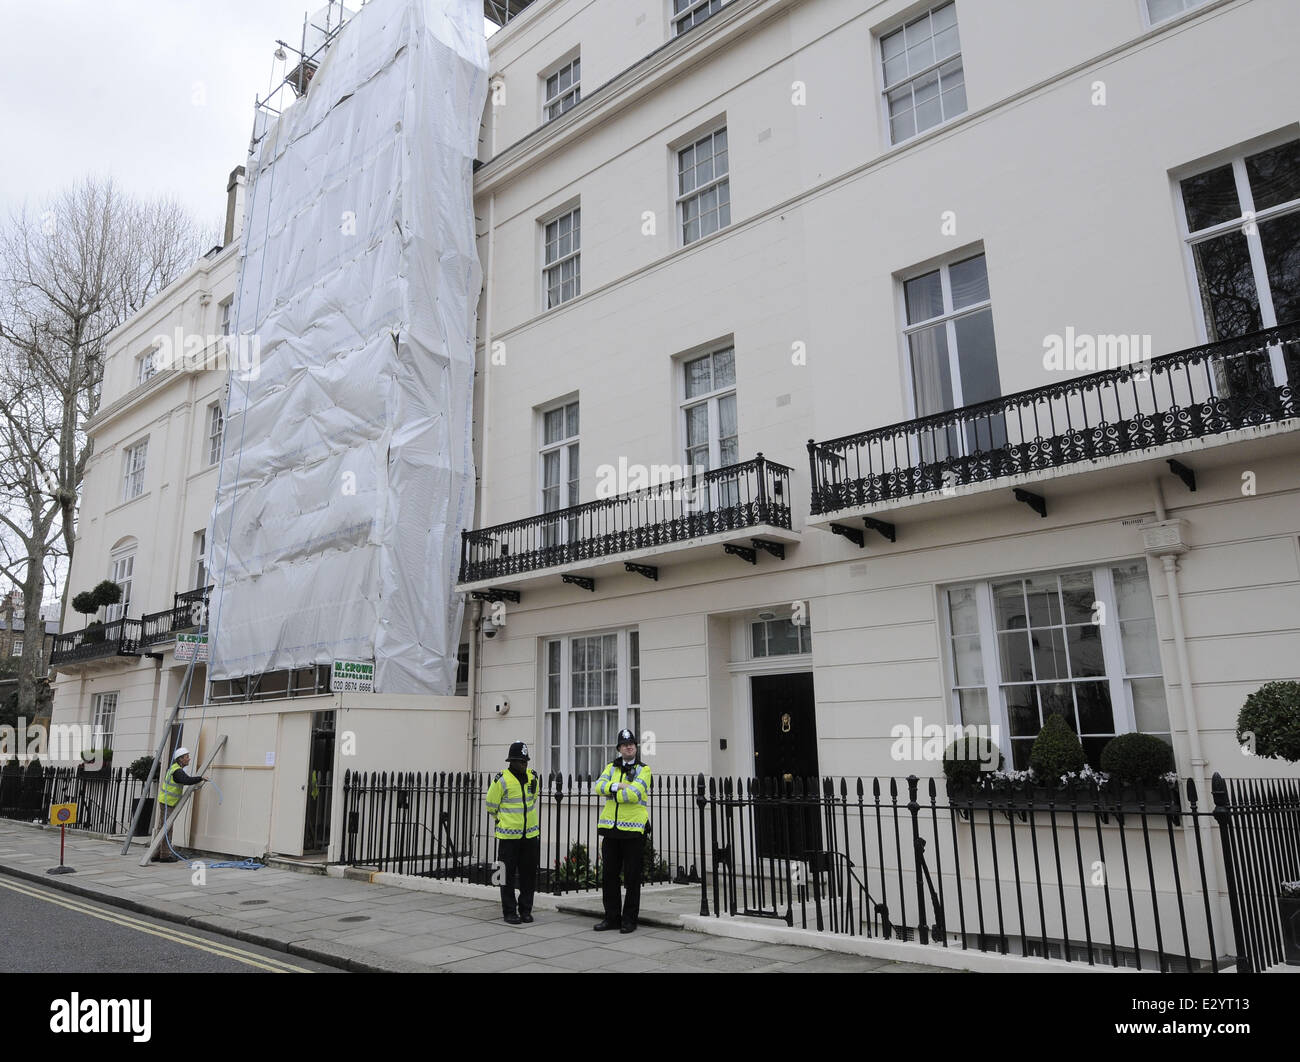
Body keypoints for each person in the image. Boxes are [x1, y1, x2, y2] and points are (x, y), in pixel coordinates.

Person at [593, 729, 651, 934]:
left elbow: (635, 794)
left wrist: (613, 791)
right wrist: (618, 785)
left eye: (632, 744)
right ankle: (611, 918)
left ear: (635, 747)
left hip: (634, 830)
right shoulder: (611, 767)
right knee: (609, 877)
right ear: (619, 748)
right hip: (611, 829)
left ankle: (629, 920)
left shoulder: (644, 770)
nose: (629, 747)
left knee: (632, 878)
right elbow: (598, 787)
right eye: (625, 744)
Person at [485, 741, 540, 925]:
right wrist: (501, 821)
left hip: (530, 836)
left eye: (525, 761)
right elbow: (491, 805)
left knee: (528, 876)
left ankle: (526, 910)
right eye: (520, 761)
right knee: (504, 876)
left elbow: (533, 798)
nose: (523, 764)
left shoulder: (533, 777)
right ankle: (509, 911)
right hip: (508, 837)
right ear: (511, 761)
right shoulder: (501, 779)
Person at [152, 747, 206, 863]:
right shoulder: (177, 771)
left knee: (164, 828)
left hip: (167, 802)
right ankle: (164, 855)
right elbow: (186, 780)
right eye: (186, 757)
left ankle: (156, 853)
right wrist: (200, 778)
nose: (189, 759)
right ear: (180, 759)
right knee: (167, 829)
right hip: (168, 803)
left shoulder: (175, 769)